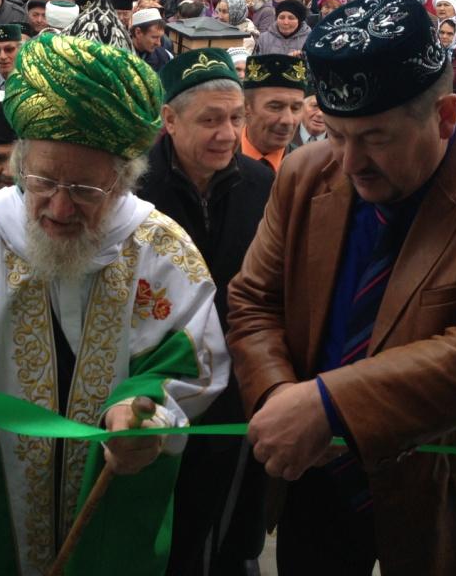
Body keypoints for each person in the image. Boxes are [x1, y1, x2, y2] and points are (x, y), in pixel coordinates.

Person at [227, 0, 456, 575]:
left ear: (444, 117)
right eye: (336, 135)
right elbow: (253, 299)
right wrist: (277, 400)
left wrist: (329, 406)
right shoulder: (304, 171)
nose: (349, 162)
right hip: (318, 489)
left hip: (453, 509)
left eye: (376, 139)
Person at [0, 33, 229, 575]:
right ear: (18, 165)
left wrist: (149, 414)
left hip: (108, 523)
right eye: (43, 181)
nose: (58, 206)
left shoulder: (160, 251)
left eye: (85, 189)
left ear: (123, 182)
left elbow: (193, 359)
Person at [137, 48, 272, 576]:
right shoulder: (135, 184)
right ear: (169, 120)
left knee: (221, 519)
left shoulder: (262, 185)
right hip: (151, 381)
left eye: (237, 118)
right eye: (210, 120)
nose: (227, 134)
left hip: (236, 384)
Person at [239, 52, 305, 174]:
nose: (288, 120)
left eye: (295, 108)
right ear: (246, 107)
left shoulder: (308, 170)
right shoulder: (218, 161)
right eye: (275, 107)